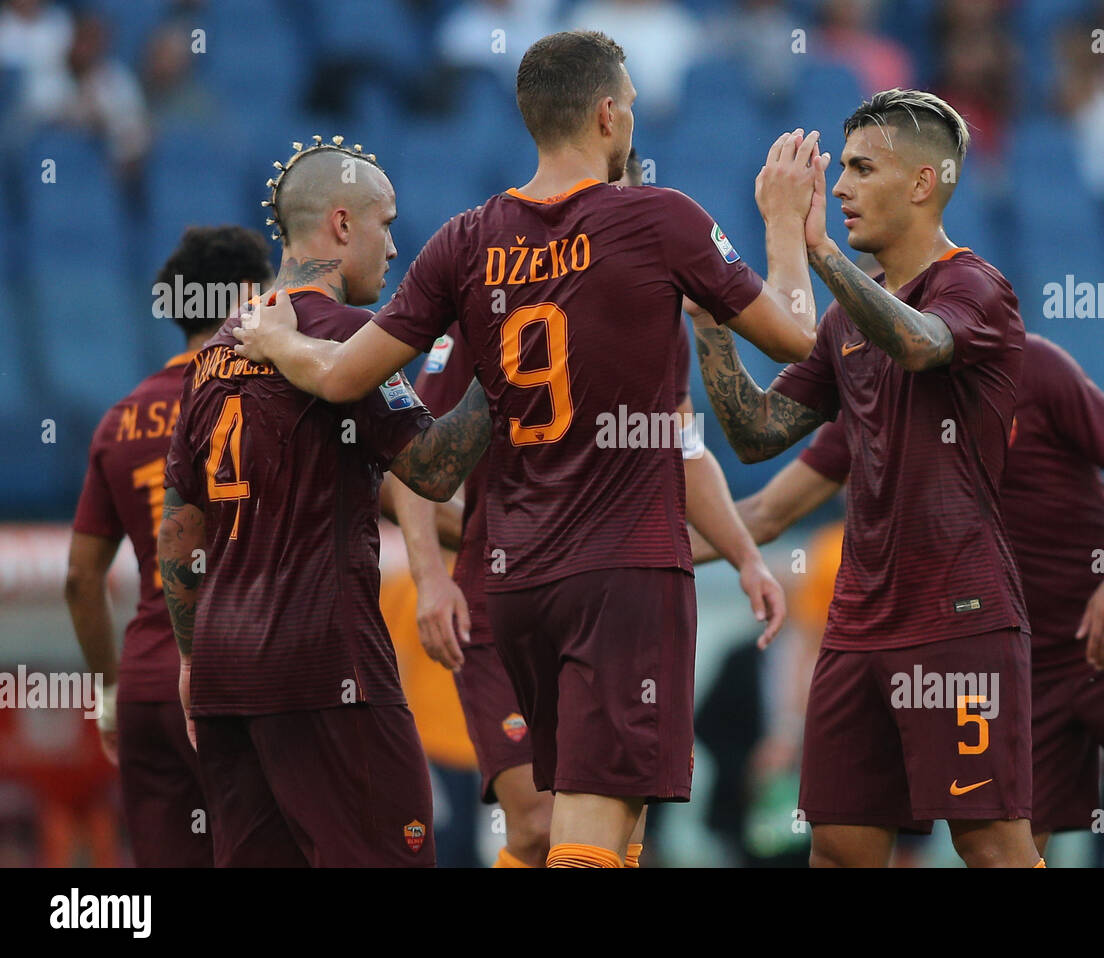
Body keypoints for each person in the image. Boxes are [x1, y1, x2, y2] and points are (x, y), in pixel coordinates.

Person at [231, 30, 819, 868]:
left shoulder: (464, 242)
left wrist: (282, 342)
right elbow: (798, 336)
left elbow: (344, 381)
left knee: (600, 826)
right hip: (622, 576)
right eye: (633, 106)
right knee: (584, 824)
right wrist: (785, 224)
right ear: (610, 114)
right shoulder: (661, 220)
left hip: (519, 589)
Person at [708, 333, 1104, 867]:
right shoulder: (870, 404)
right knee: (1014, 853)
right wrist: (649, 546)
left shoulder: (1031, 366)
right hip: (1022, 662)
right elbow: (763, 515)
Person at [389, 147, 785, 868]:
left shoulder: (650, 317)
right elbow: (412, 452)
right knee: (538, 823)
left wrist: (746, 556)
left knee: (605, 818)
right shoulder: (490, 299)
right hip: (502, 592)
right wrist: (429, 575)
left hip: (608, 591)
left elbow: (683, 450)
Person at [691, 88, 1040, 867]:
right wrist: (710, 324)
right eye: (835, 170)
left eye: (858, 168)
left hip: (960, 613)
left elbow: (919, 344)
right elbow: (756, 434)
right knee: (841, 849)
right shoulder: (847, 323)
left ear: (922, 183)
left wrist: (817, 253)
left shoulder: (973, 285)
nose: (837, 187)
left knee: (991, 849)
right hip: (856, 623)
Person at [158, 136, 491, 867]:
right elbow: (432, 469)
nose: (396, 245)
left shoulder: (214, 353)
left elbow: (179, 527)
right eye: (386, 222)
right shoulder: (349, 339)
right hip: (325, 665)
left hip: (223, 673)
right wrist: (501, 375)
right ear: (342, 225)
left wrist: (191, 658)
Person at [66, 225, 272, 867]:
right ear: (245, 296)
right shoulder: (257, 396)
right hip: (236, 677)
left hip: (145, 690)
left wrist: (106, 692)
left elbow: (79, 581)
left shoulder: (119, 417)